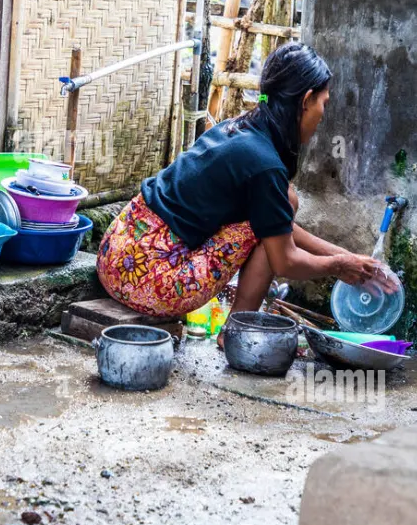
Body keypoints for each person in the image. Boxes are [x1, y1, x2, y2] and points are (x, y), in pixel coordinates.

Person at [96, 42, 389, 347]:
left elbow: (278, 222)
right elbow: (285, 259)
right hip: (147, 281)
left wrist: (347, 256)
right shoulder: (263, 165)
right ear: (305, 100)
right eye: (323, 104)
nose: (322, 115)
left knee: (281, 206)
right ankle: (233, 333)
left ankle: (234, 328)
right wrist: (338, 266)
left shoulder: (234, 129)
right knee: (269, 233)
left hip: (115, 259)